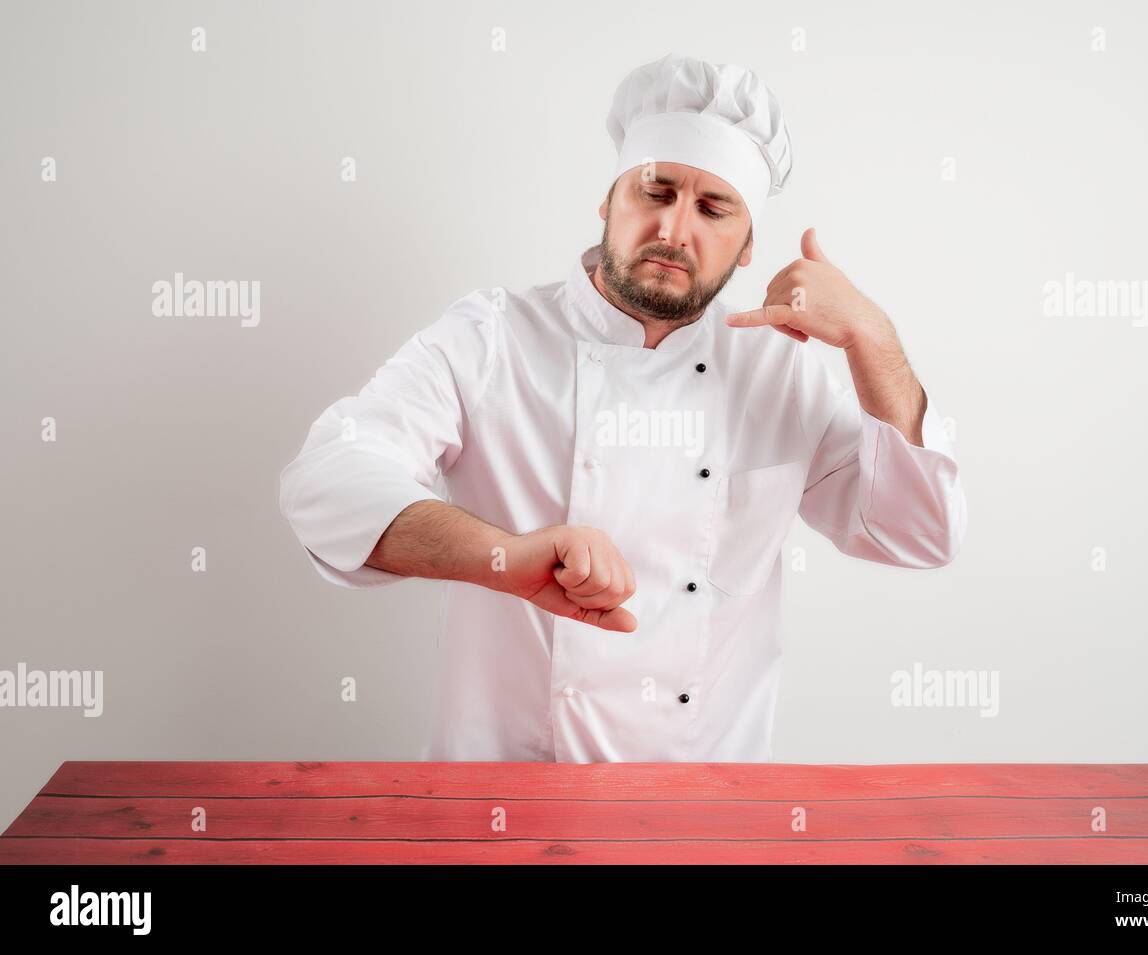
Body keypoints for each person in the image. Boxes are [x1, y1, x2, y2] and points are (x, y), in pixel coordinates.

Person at [278, 52, 967, 762]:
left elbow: (922, 533)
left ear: (749, 243)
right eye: (655, 191)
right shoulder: (492, 338)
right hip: (501, 804)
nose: (674, 229)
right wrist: (505, 558)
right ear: (610, 200)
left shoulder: (779, 373)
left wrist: (870, 338)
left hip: (704, 823)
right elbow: (328, 480)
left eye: (711, 207)